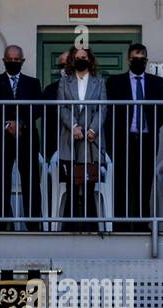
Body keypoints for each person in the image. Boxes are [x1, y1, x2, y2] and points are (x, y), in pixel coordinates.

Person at [105, 43, 163, 231]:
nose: (139, 61)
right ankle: (121, 224)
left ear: (146, 60)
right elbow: (109, 113)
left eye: (142, 59)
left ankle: (141, 223)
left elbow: (162, 111)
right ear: (128, 60)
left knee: (144, 182)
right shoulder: (115, 82)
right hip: (123, 139)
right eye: (135, 58)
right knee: (122, 181)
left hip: (147, 139)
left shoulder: (156, 82)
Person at [0, 45, 42, 229]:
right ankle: (1, 223)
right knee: (1, 180)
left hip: (27, 138)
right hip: (2, 139)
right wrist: (7, 124)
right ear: (3, 61)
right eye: (10, 59)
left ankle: (33, 223)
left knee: (31, 181)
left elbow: (38, 108)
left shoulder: (33, 83)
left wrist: (21, 123)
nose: (13, 62)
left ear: (23, 61)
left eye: (16, 60)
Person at [57, 47, 107, 228]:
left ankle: (90, 226)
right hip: (70, 139)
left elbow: (103, 108)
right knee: (71, 185)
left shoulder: (99, 82)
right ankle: (69, 226)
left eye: (83, 57)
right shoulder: (64, 82)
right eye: (77, 57)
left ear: (90, 60)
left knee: (88, 184)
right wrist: (74, 126)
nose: (80, 60)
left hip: (91, 141)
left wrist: (92, 130)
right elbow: (61, 107)